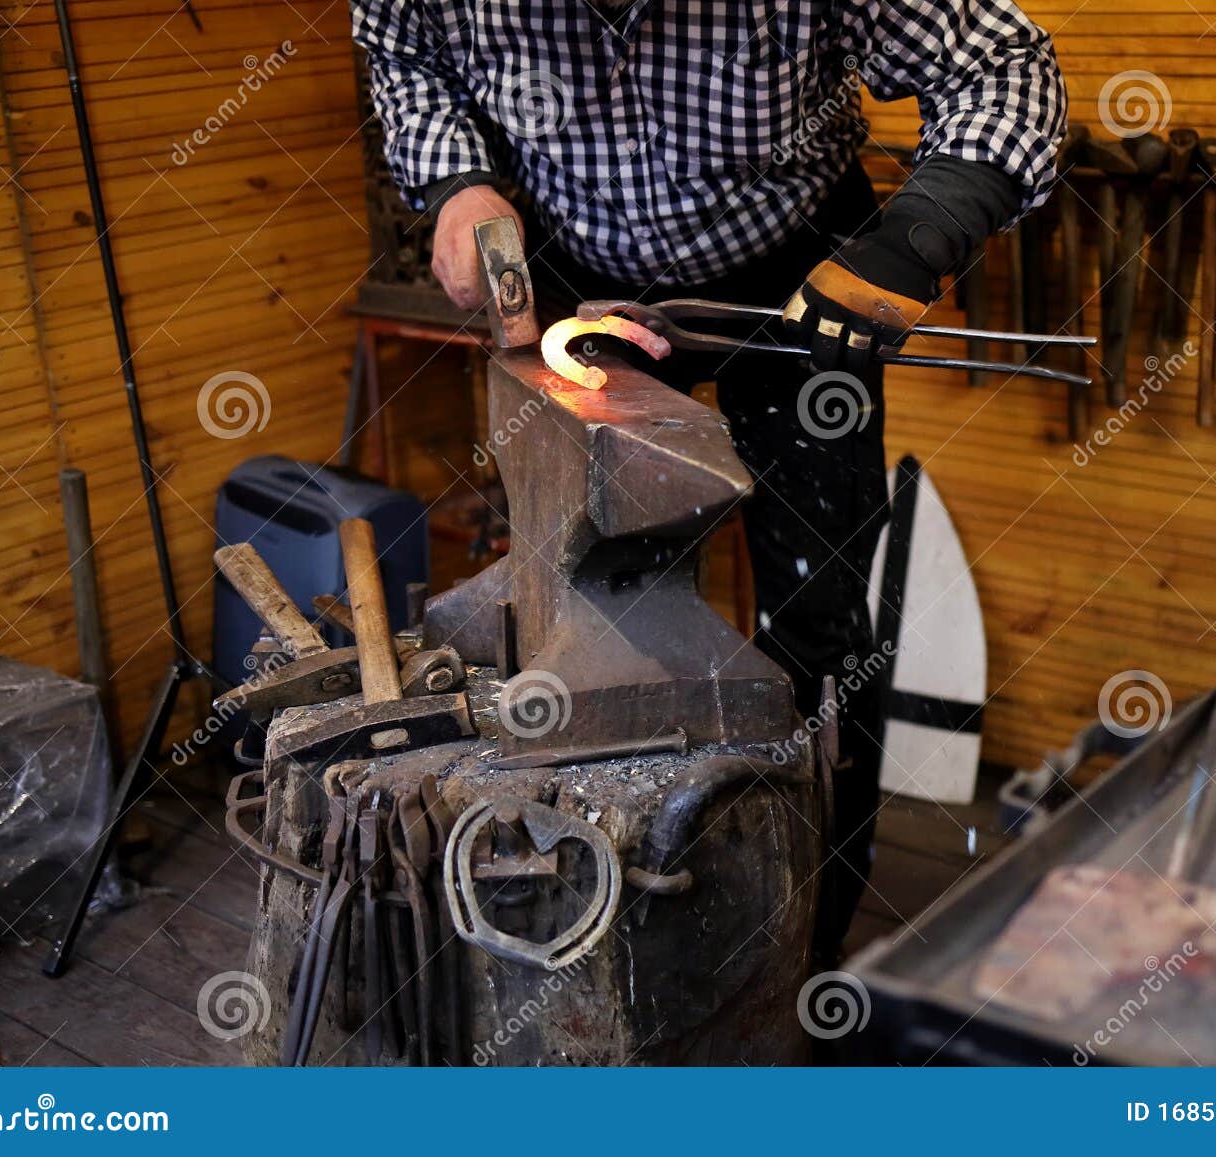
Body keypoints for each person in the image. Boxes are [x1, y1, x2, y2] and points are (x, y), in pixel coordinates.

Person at [352, 0, 1066, 956]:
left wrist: (915, 237)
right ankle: (600, 930)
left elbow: (1003, 67)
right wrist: (457, 182)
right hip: (577, 285)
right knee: (581, 610)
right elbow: (403, 52)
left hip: (800, 271)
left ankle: (803, 960)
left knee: (816, 634)